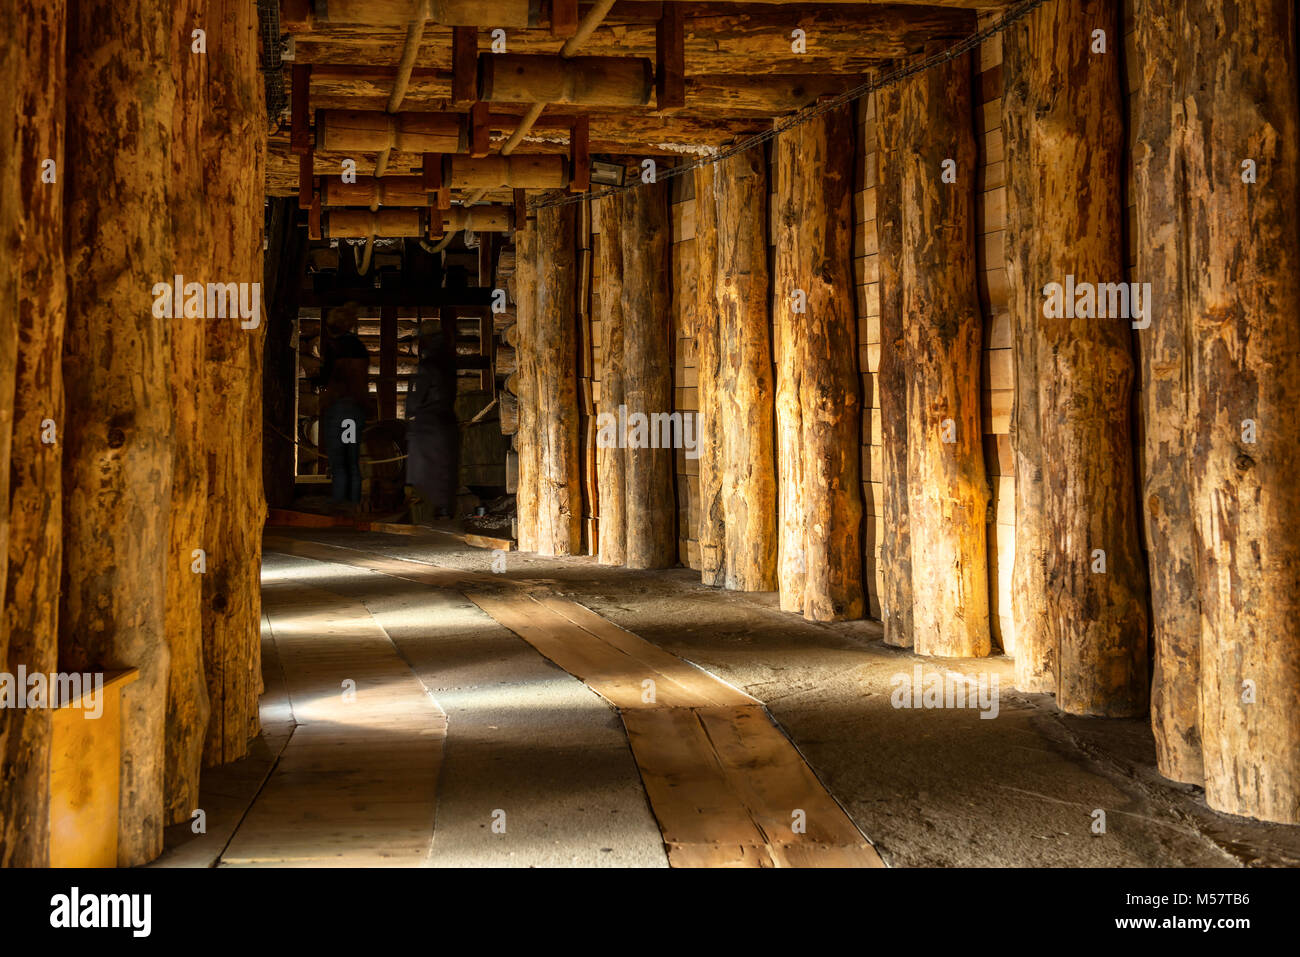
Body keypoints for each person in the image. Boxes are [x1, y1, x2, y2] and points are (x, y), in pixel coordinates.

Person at [316, 303, 373, 508]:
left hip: (339, 408)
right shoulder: (359, 348)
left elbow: (330, 378)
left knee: (339, 463)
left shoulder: (335, 348)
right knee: (351, 460)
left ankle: (341, 506)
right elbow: (361, 381)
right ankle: (353, 504)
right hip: (354, 411)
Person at [405, 318, 460, 519]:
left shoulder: (428, 366)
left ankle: (424, 506)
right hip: (446, 418)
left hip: (428, 422)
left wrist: (410, 411)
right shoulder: (449, 365)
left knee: (424, 463)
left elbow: (418, 397)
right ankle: (444, 507)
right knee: (444, 464)